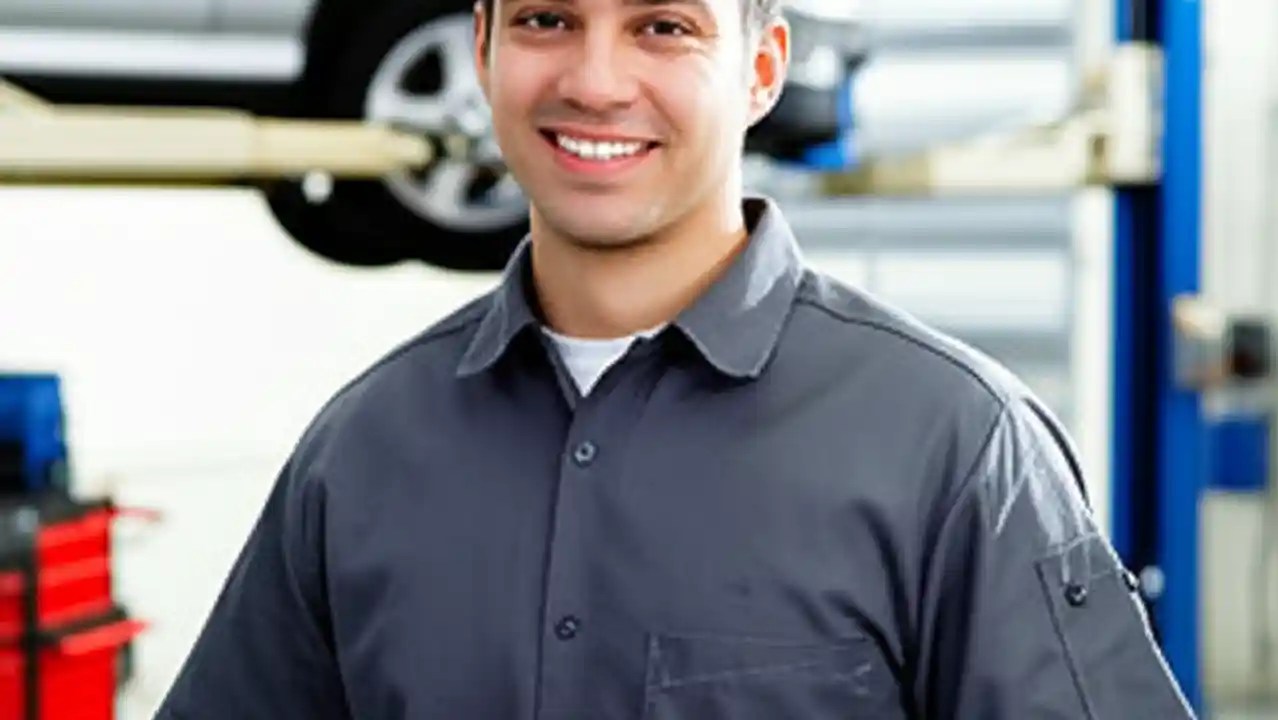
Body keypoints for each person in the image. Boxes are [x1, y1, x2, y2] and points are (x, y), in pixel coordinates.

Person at [155, 0, 1197, 717]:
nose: (594, 80)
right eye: (546, 20)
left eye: (661, 26)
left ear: (758, 68)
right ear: (481, 49)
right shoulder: (362, 452)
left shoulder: (956, 447)